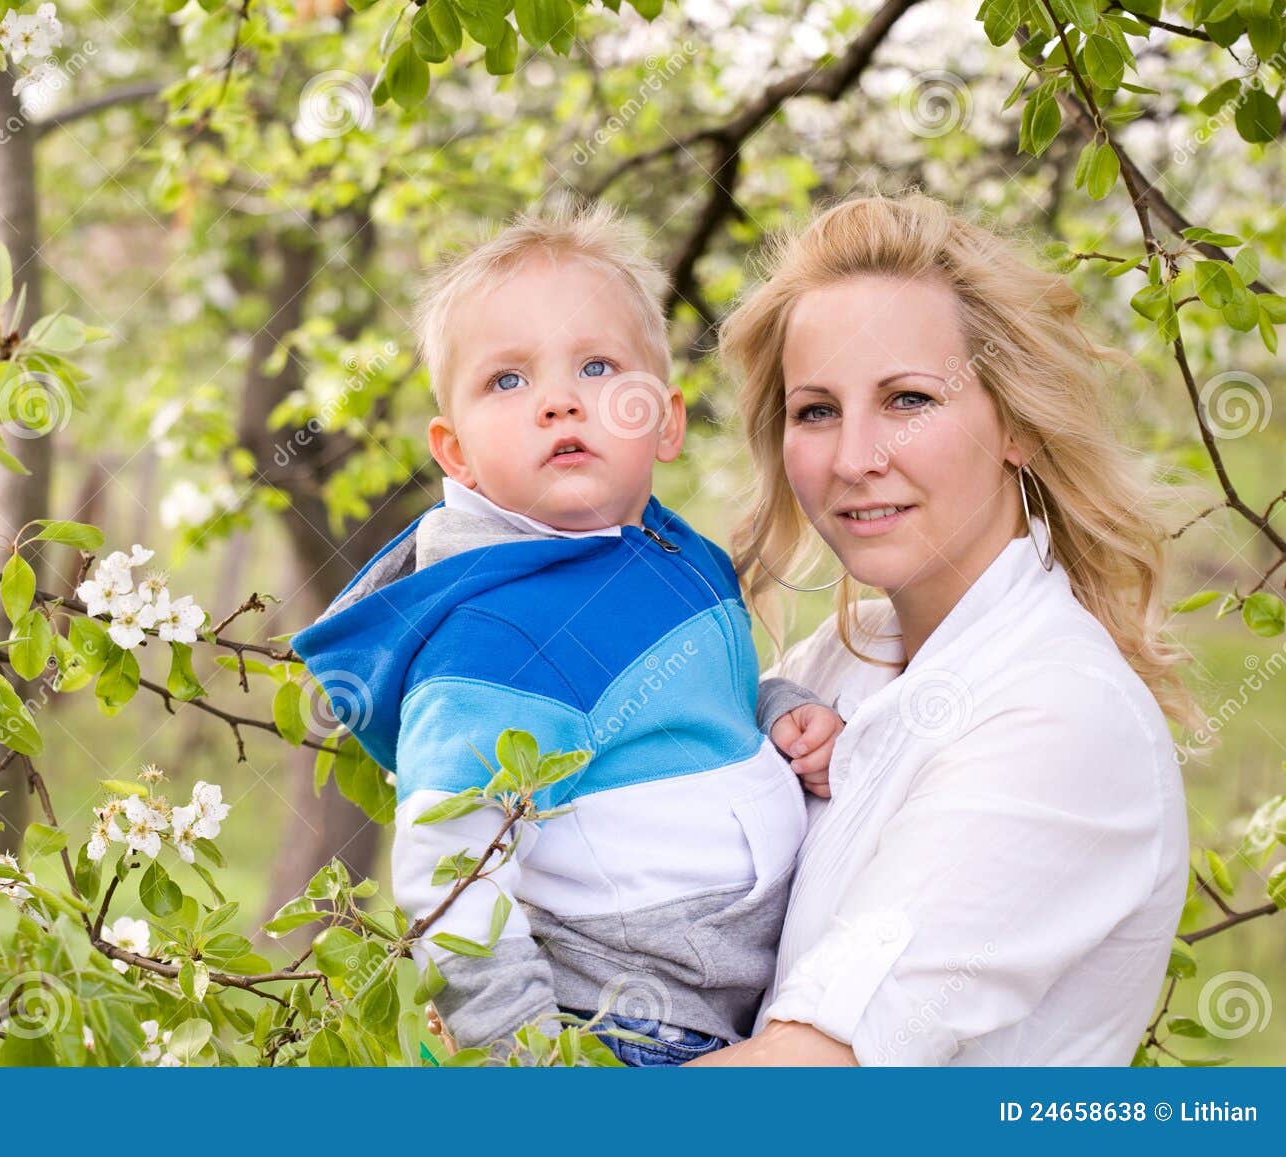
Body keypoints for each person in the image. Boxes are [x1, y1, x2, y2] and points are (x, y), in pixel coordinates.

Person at [291, 197, 844, 1066]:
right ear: (456, 453)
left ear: (665, 420)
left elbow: (704, 707)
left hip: (750, 1000)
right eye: (507, 381)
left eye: (595, 366)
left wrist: (777, 709)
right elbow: (451, 873)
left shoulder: (677, 554)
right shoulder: (489, 635)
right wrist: (529, 1064)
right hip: (622, 1029)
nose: (556, 402)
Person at [690, 191, 1193, 1065]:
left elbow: (813, 1082)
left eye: (908, 398)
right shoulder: (832, 666)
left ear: (1017, 427)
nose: (853, 459)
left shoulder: (1063, 712)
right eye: (816, 410)